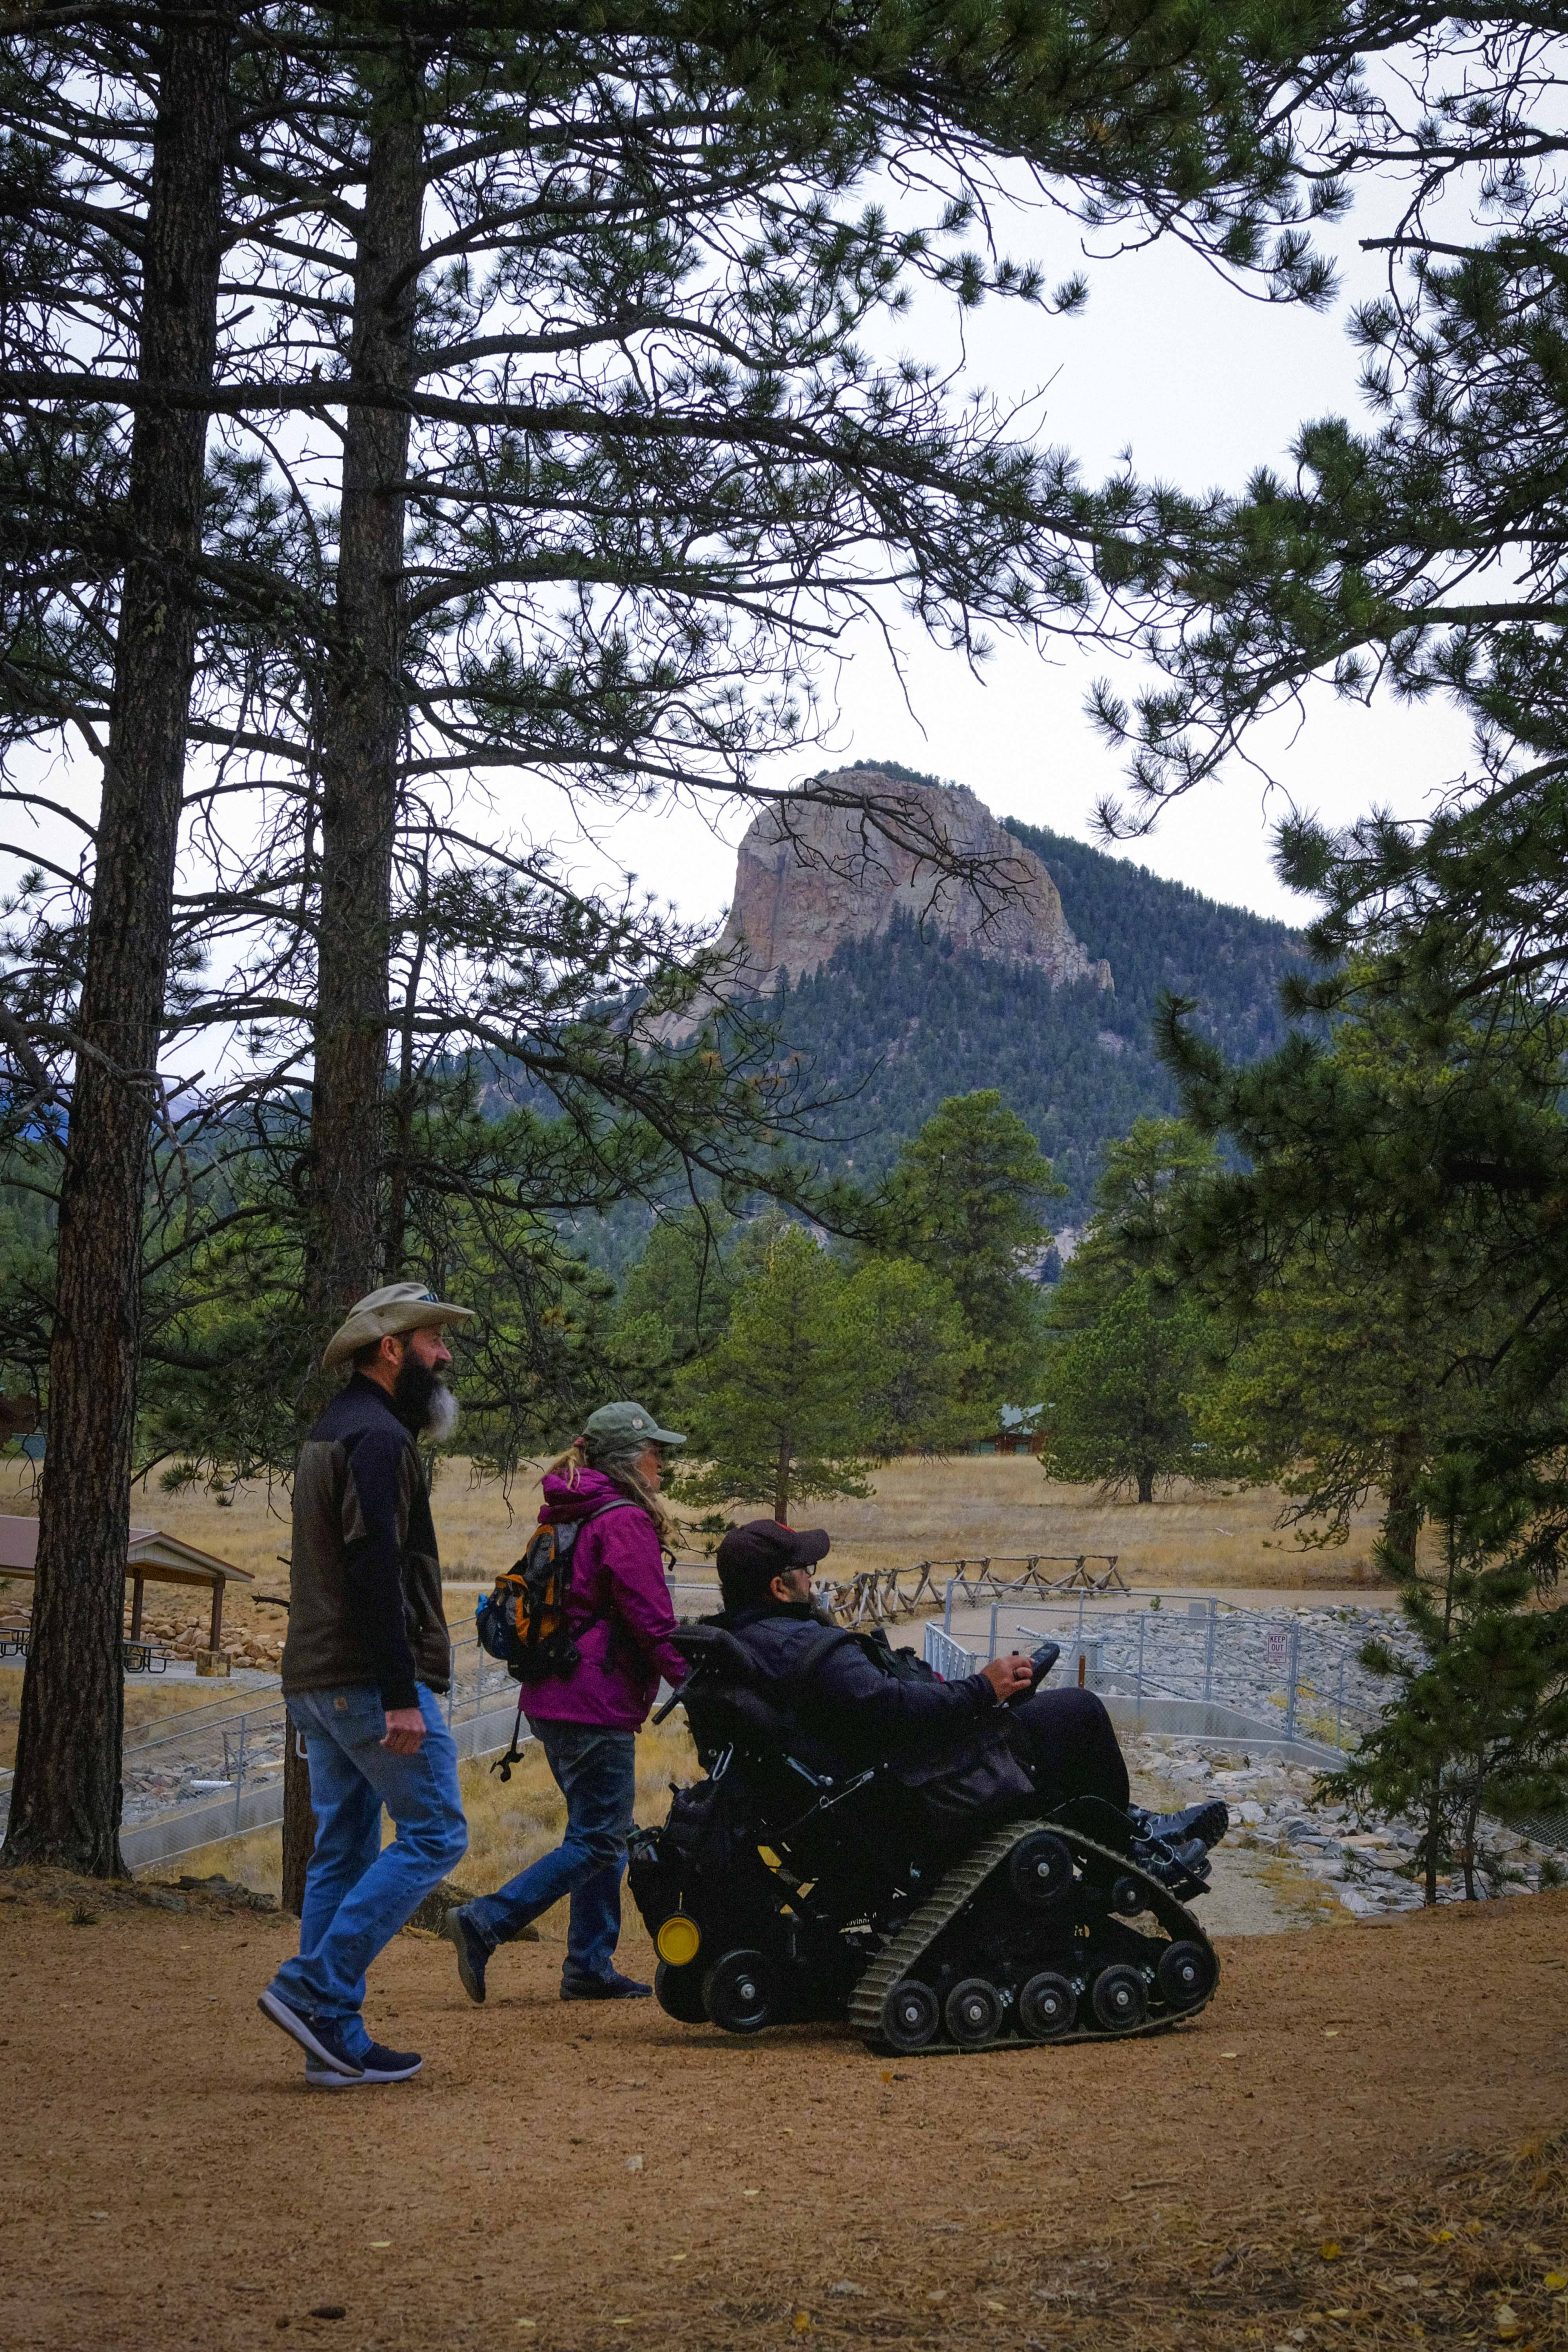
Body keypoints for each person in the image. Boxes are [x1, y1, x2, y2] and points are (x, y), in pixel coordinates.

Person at [710, 1520, 1226, 1864]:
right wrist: (982, 1689)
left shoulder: (740, 1644)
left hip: (852, 1792)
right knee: (1077, 1711)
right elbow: (888, 1708)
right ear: (779, 1587)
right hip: (915, 1792)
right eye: (804, 1571)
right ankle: (1131, 1854)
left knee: (1033, 1706)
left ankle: (1133, 1825)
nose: (811, 1580)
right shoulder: (809, 1646)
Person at [258, 1282, 473, 2088]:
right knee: (436, 1833)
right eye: (431, 1341)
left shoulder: (334, 1428)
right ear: (391, 1348)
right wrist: (398, 1693)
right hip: (362, 1681)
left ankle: (332, 2039)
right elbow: (373, 1571)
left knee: (342, 1849)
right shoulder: (380, 1439)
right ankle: (312, 1989)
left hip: (314, 1677)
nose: (444, 1355)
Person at [446, 1401, 688, 2004]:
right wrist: (694, 1685)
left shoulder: (568, 1513)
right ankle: (487, 1921)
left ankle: (588, 1964)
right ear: (633, 1461)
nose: (663, 1465)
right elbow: (652, 1621)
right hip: (593, 1701)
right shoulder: (622, 1520)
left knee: (600, 1829)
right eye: (657, 1453)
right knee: (601, 1838)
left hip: (554, 1697)